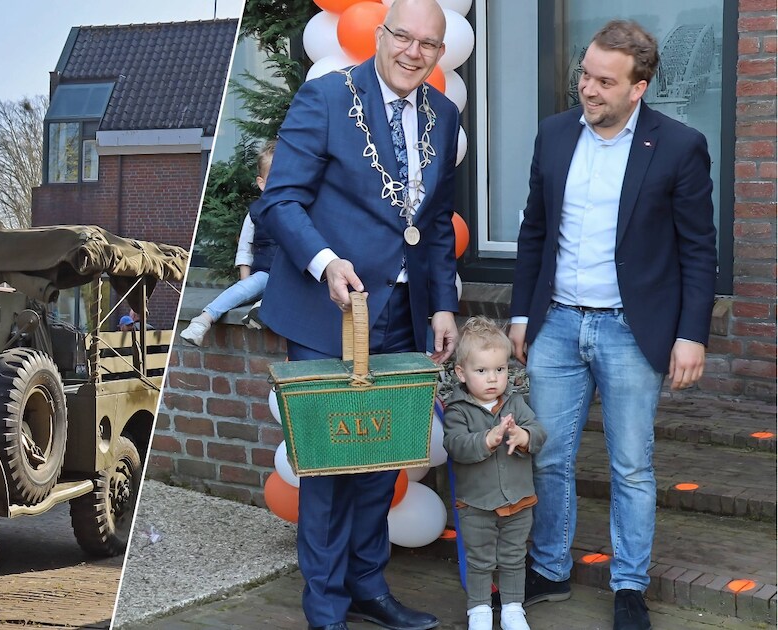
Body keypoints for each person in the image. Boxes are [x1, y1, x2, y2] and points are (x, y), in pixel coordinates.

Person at [251, 1, 461, 628]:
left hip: (403, 314)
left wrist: (445, 304)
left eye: (429, 44)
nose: (414, 53)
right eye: (403, 37)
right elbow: (280, 199)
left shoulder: (444, 116)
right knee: (329, 465)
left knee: (383, 463)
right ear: (380, 35)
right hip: (327, 312)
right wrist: (323, 261)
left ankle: (369, 586)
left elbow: (438, 227)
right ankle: (325, 607)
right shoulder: (325, 98)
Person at [508, 19, 717, 630]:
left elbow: (698, 249)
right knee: (548, 457)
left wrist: (691, 333)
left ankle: (629, 585)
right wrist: (523, 313)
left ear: (639, 87)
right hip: (558, 324)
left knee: (631, 465)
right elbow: (534, 232)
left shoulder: (678, 146)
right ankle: (549, 568)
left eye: (604, 81)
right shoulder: (552, 136)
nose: (588, 90)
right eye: (584, 75)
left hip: (634, 329)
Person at [442, 317, 546, 630]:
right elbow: (456, 445)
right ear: (461, 373)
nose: (493, 378)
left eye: (499, 370)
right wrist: (487, 439)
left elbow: (538, 432)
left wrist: (524, 437)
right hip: (475, 503)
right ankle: (479, 611)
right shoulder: (457, 409)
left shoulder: (515, 402)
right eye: (482, 371)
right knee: (480, 559)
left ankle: (514, 608)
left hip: (518, 498)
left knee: (514, 556)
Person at [180, 139, 277, 346]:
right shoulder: (255, 213)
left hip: (289, 278)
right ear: (261, 183)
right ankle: (203, 320)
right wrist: (245, 280)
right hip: (264, 273)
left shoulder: (299, 210)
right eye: (273, 178)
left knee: (285, 289)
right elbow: (245, 249)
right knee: (243, 289)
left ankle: (261, 309)